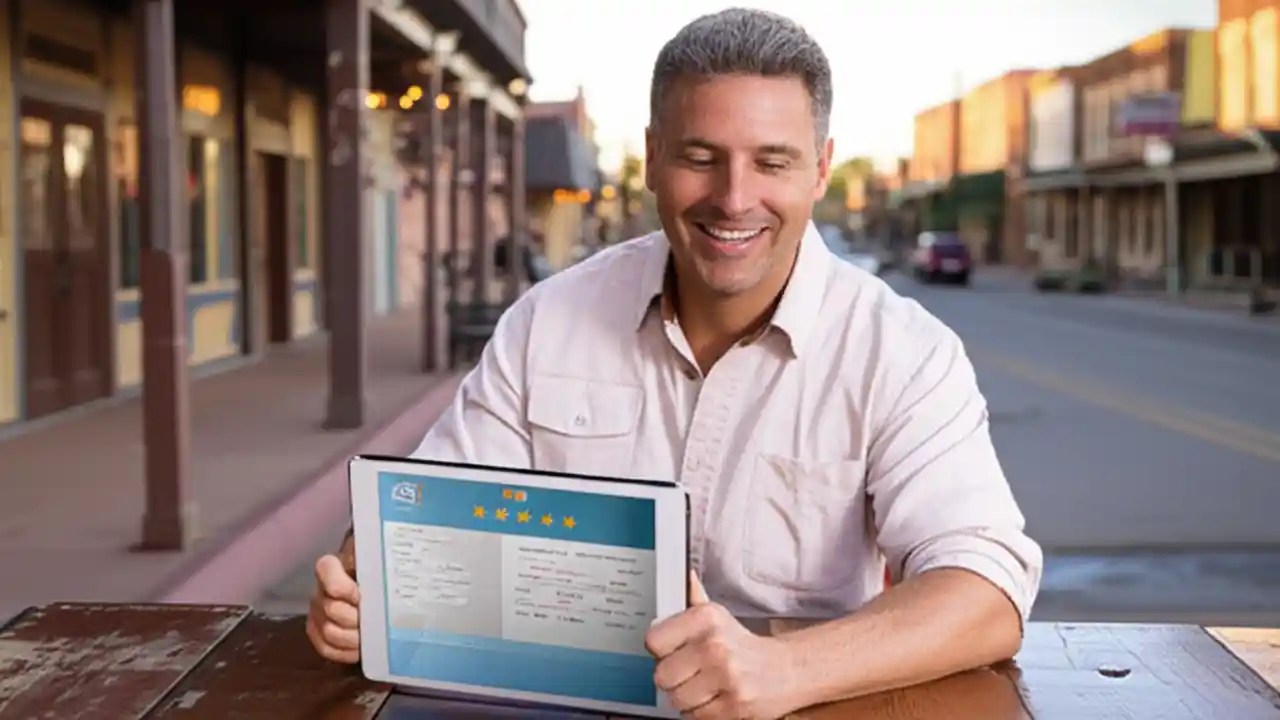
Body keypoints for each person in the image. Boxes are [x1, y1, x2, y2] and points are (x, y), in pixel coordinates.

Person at [308, 7, 1042, 719]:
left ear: (820, 169)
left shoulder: (903, 351)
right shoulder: (547, 321)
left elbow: (987, 589)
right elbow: (422, 523)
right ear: (654, 158)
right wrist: (364, 589)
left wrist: (785, 669)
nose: (734, 199)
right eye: (700, 158)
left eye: (772, 162)